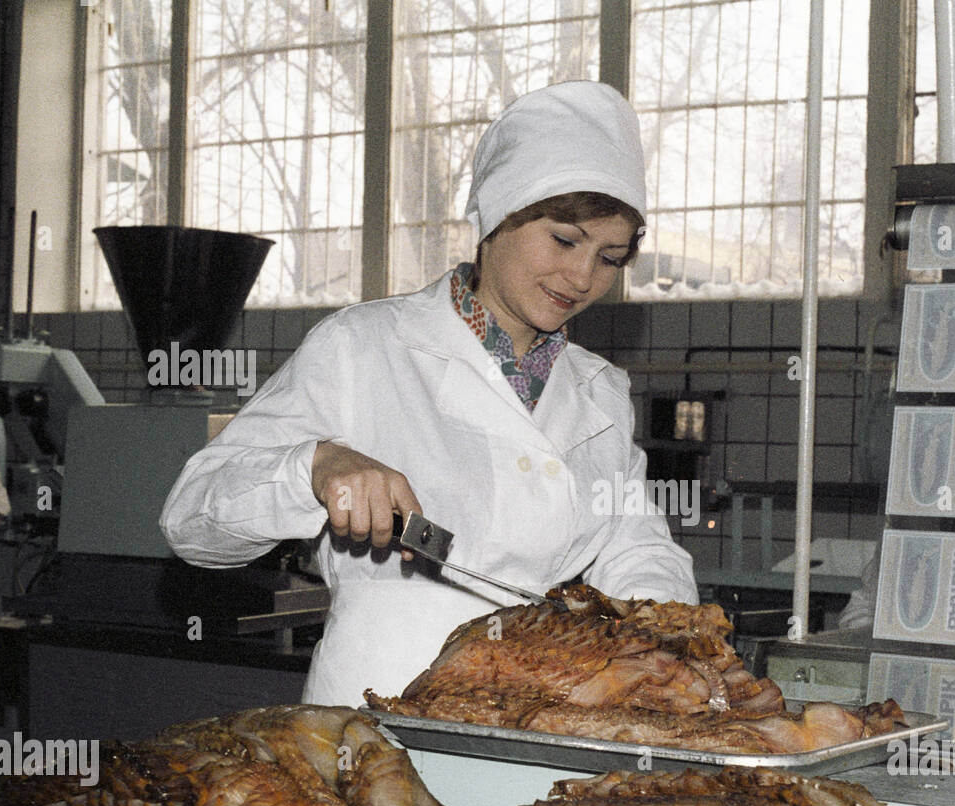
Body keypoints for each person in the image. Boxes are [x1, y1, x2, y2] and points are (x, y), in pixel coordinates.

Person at [160, 81, 698, 707]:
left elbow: (639, 551)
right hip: (374, 723)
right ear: (498, 216)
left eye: (610, 257)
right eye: (563, 239)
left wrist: (666, 643)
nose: (582, 277)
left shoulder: (600, 394)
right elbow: (192, 521)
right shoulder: (361, 347)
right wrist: (314, 466)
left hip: (534, 722)